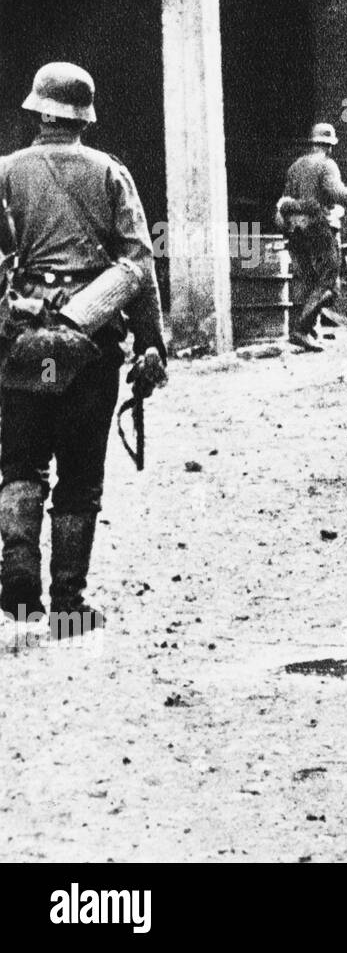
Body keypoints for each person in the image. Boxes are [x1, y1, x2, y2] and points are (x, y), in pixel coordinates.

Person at [0, 62, 168, 638]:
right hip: (89, 347)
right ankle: (70, 602)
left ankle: (18, 582)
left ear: (40, 111)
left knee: (19, 462)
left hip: (22, 344)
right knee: (80, 474)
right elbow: (138, 266)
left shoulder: (5, 173)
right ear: (83, 118)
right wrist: (152, 345)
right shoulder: (110, 174)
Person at [276, 122, 347, 351]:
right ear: (329, 146)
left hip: (296, 231)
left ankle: (312, 331)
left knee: (310, 281)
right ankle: (301, 330)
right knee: (330, 285)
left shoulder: (295, 166)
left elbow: (285, 200)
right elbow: (336, 192)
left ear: (313, 144)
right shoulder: (327, 165)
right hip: (319, 228)